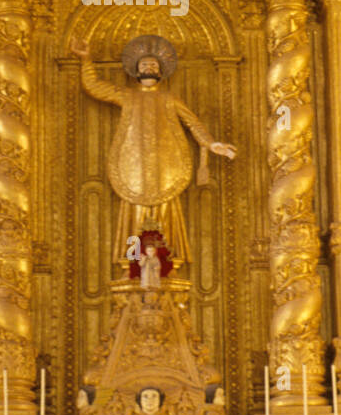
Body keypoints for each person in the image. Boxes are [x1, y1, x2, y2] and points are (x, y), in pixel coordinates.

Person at [71, 34, 235, 267]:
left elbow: (193, 123)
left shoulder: (169, 98)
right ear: (137, 70)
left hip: (165, 168)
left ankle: (167, 261)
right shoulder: (127, 95)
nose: (149, 67)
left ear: (161, 71)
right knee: (134, 209)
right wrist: (86, 60)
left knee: (165, 207)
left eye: (154, 65)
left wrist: (210, 143)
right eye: (145, 65)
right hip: (134, 169)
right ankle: (132, 261)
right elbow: (94, 87)